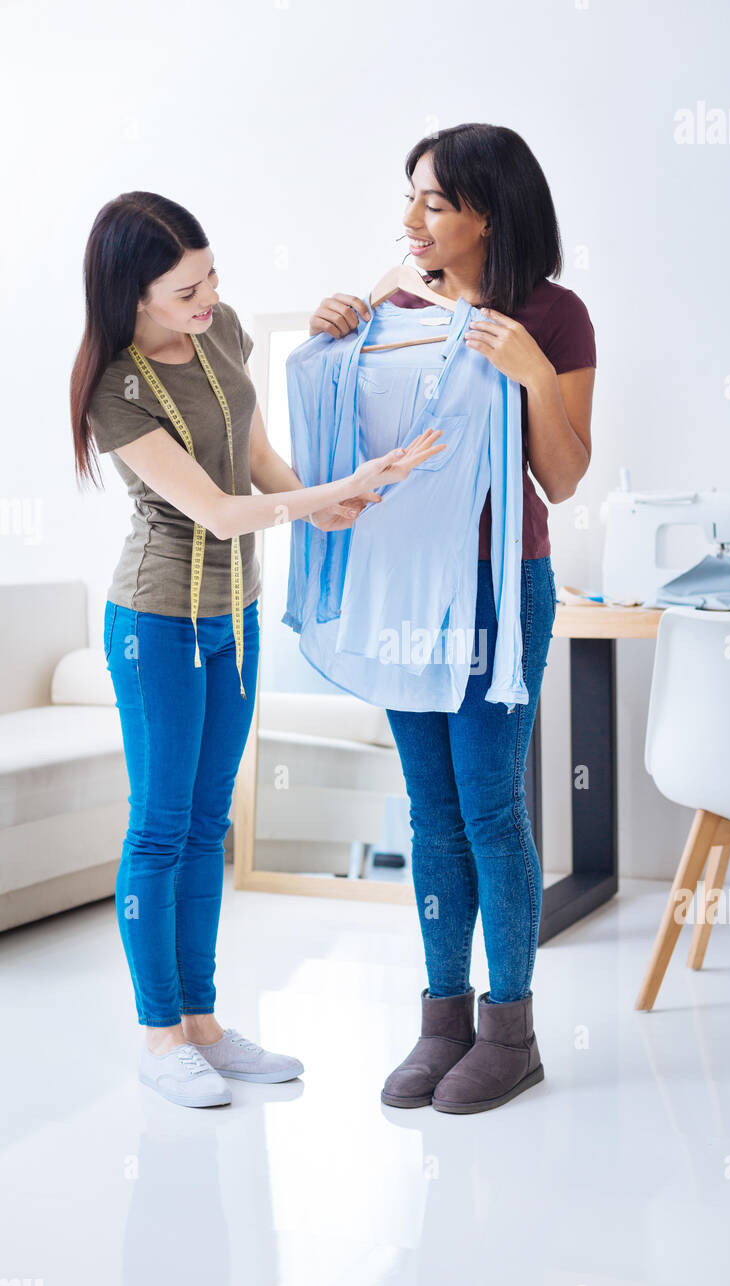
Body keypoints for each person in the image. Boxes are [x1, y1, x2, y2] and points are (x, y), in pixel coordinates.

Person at [70, 191, 444, 1109]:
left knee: (208, 824)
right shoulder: (115, 390)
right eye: (188, 287)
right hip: (156, 619)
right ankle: (160, 1037)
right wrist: (338, 490)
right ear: (134, 293)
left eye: (212, 276)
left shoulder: (223, 330)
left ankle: (203, 1027)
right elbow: (219, 509)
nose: (209, 296)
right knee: (159, 827)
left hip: (233, 612)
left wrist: (328, 495)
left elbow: (257, 461)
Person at [309, 123, 596, 1114]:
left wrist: (527, 372)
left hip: (497, 588)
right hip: (404, 590)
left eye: (431, 201)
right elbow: (346, 442)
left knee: (488, 811)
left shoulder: (553, 319)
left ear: (486, 211)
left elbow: (558, 478)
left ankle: (509, 1032)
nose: (410, 219)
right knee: (430, 815)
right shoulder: (391, 311)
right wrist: (335, 342)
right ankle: (442, 1024)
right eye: (411, 198)